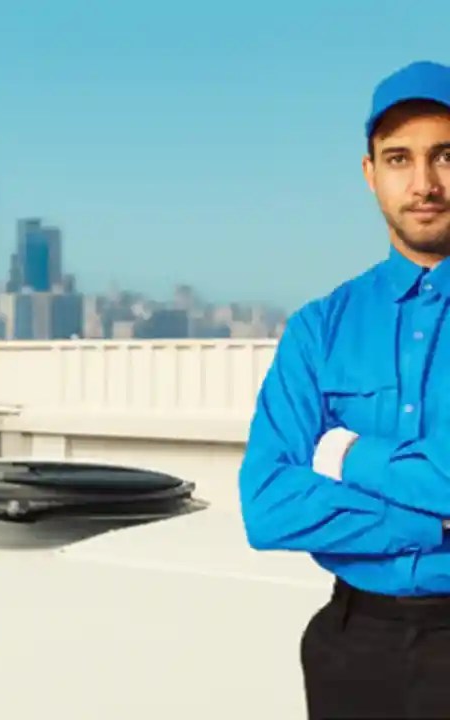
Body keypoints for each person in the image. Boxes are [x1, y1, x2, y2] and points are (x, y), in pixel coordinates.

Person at [239, 60, 450, 719]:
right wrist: (431, 518)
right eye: (399, 158)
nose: (424, 183)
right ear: (370, 174)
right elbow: (268, 504)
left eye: (446, 156)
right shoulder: (318, 329)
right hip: (353, 644)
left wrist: (347, 456)